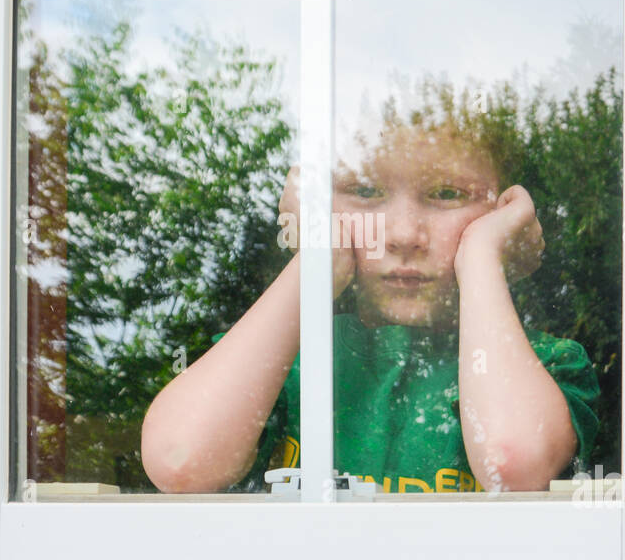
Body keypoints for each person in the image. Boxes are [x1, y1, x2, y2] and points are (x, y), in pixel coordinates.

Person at [140, 109, 600, 494]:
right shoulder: (280, 360)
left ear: (500, 214)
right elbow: (180, 460)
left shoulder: (547, 366)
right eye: (364, 192)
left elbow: (513, 464)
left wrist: (481, 257)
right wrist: (317, 264)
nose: (402, 235)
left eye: (446, 194)